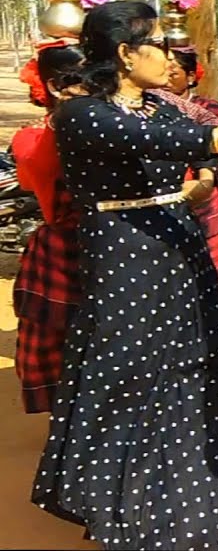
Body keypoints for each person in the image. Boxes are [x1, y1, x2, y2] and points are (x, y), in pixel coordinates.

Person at [32, 1, 218, 551]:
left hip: (181, 251)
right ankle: (127, 517)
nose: (173, 55)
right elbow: (176, 144)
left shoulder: (160, 108)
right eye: (158, 44)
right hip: (125, 258)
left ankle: (188, 521)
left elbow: (196, 147)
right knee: (130, 388)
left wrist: (206, 177)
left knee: (197, 382)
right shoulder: (83, 114)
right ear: (124, 53)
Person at [12, 41, 84, 414]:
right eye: (83, 76)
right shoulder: (32, 139)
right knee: (62, 340)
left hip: (123, 243)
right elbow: (38, 168)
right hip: (65, 251)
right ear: (56, 86)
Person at [166, 48, 218, 306]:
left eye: (174, 73)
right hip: (172, 190)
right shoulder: (147, 109)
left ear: (191, 77)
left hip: (212, 190)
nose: (168, 78)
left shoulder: (210, 109)